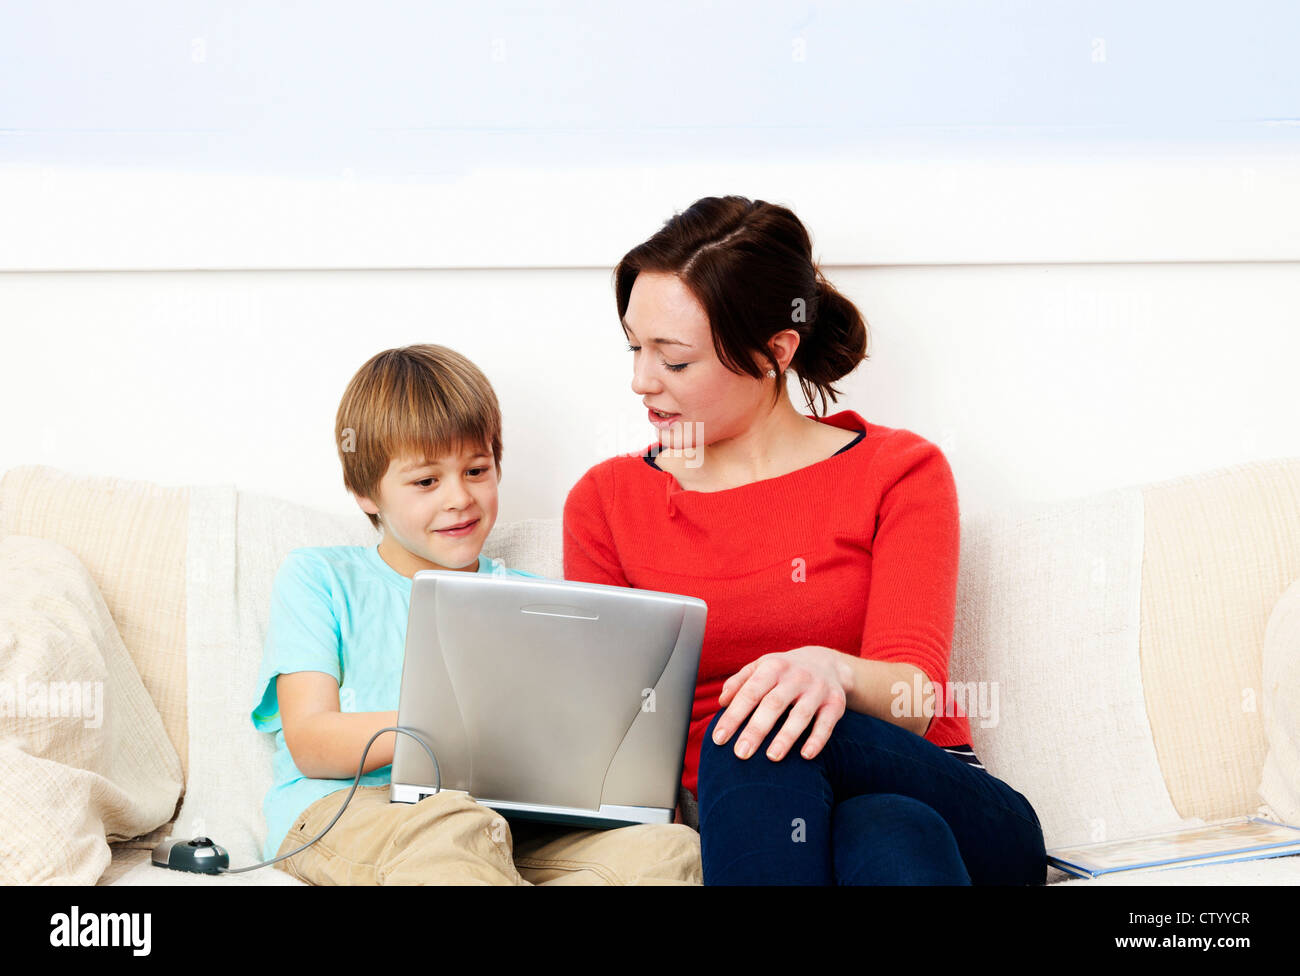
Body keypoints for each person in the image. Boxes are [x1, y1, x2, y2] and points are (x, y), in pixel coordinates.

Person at [563, 196, 1047, 885]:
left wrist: (831, 670)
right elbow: (612, 727)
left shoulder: (898, 470)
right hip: (761, 822)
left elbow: (915, 697)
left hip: (949, 797)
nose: (641, 381)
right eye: (635, 348)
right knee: (888, 837)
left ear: (774, 351)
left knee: (752, 727)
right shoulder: (608, 503)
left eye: (673, 361)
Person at [250, 343, 701, 885]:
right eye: (425, 481)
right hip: (347, 814)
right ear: (364, 492)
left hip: (502, 824)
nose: (459, 498)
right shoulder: (319, 578)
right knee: (451, 825)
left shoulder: (538, 599)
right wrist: (451, 730)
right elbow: (312, 743)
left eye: (476, 469)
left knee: (668, 849)